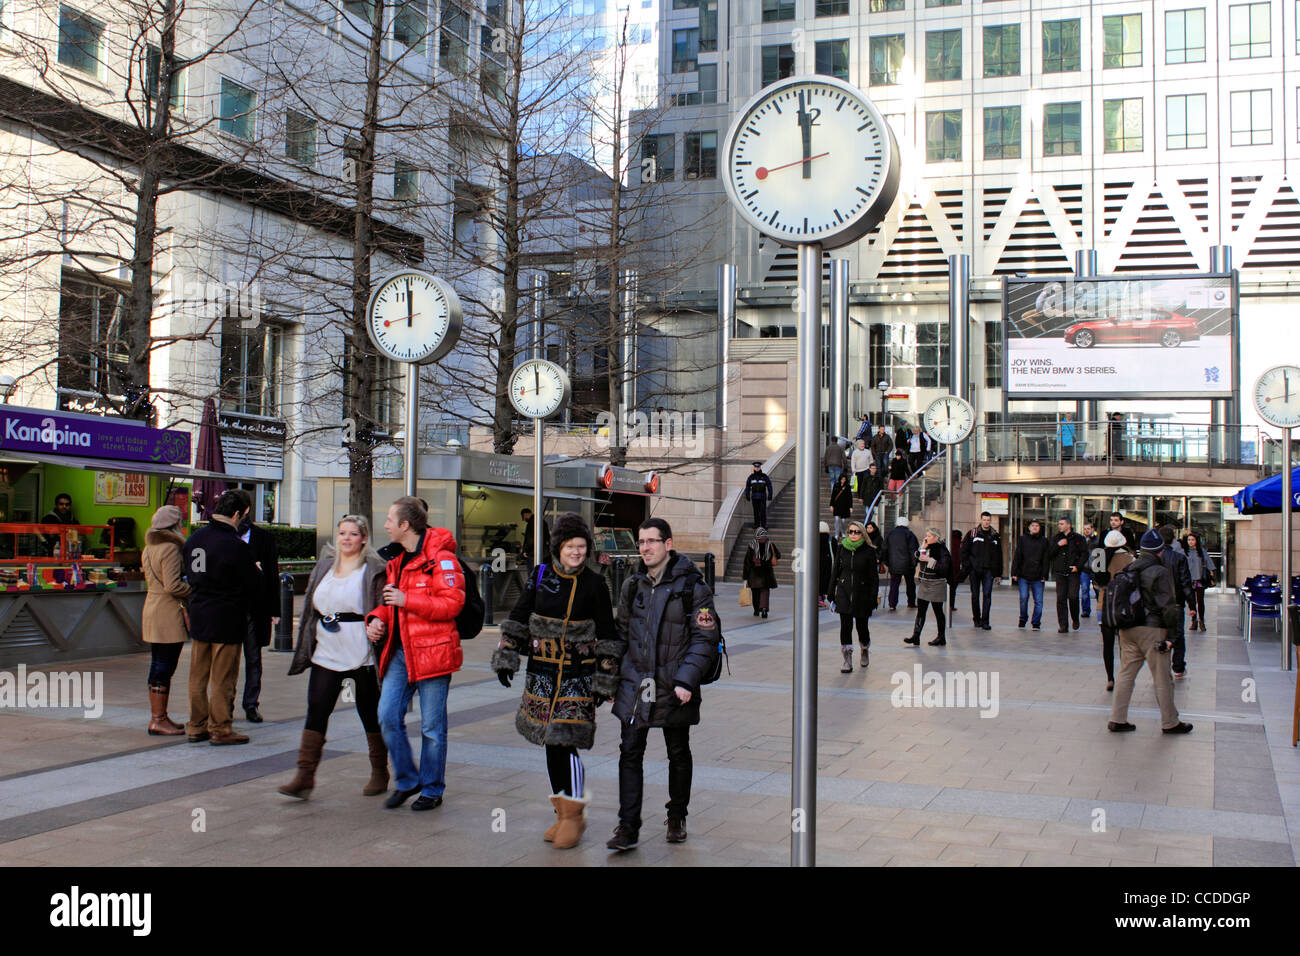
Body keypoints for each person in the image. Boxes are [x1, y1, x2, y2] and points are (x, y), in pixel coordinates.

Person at [492, 513, 619, 849]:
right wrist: (506, 655)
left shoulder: (595, 583)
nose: (576, 552)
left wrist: (605, 678)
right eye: (570, 546)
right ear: (558, 548)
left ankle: (574, 814)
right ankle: (561, 813)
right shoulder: (540, 575)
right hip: (543, 675)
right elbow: (519, 616)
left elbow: (608, 634)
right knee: (550, 742)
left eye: (581, 546)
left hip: (578, 676)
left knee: (566, 741)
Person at [607, 518, 719, 851]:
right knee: (630, 752)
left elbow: (705, 638)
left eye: (651, 541)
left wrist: (686, 680)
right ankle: (628, 826)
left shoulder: (693, 586)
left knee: (678, 752)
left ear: (668, 544)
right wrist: (609, 677)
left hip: (674, 684)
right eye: (641, 542)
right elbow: (620, 635)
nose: (645, 548)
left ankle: (677, 815)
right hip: (635, 683)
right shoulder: (633, 585)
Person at [366, 497, 466, 811]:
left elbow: (452, 604)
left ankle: (432, 789)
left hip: (433, 653)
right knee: (387, 716)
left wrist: (406, 600)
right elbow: (391, 604)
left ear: (405, 525)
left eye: (390, 519)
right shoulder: (397, 560)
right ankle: (408, 779)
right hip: (400, 651)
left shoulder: (441, 558)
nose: (385, 525)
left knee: (432, 728)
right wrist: (377, 619)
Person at [280, 514, 389, 800]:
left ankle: (380, 770)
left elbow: (383, 606)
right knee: (317, 707)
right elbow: (311, 605)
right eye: (342, 533)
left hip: (361, 650)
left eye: (353, 534)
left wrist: (379, 623)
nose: (346, 539)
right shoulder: (325, 566)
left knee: (369, 712)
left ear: (364, 538)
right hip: (326, 649)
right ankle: (305, 775)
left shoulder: (374, 569)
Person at [182, 489, 261, 745]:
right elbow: (252, 584)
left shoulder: (195, 539)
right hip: (226, 615)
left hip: (199, 611)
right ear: (238, 513)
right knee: (222, 677)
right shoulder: (236, 546)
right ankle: (220, 728)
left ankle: (196, 726)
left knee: (197, 675)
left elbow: (189, 572)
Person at [1108, 530, 1193, 735]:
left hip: (1128, 628)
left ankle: (1117, 719)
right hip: (1153, 630)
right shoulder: (1160, 571)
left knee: (1126, 674)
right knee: (1162, 678)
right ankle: (1170, 722)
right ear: (1160, 550)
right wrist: (1172, 636)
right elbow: (1168, 606)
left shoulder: (1129, 568)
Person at [142, 505, 190, 736]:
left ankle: (159, 716)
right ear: (174, 524)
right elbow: (173, 586)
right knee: (165, 666)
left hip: (152, 608)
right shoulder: (171, 548)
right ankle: (158, 719)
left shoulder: (149, 548)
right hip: (168, 612)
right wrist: (193, 590)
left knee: (157, 663)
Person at [237, 509, 279, 723]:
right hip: (231, 608)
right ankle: (224, 704)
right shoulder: (224, 536)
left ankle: (251, 704)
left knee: (253, 658)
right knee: (227, 660)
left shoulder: (264, 538)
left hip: (256, 609)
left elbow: (272, 574)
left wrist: (275, 610)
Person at [831, 519, 879, 671]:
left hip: (862, 594)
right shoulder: (841, 548)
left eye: (857, 532)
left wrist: (873, 597)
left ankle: (864, 648)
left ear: (862, 534)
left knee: (861, 626)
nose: (853, 534)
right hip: (844, 593)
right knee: (845, 626)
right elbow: (835, 571)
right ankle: (847, 658)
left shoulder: (869, 551)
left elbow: (874, 577)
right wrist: (830, 592)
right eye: (850, 531)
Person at [1094, 529, 1133, 692]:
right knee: (1125, 644)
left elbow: (1097, 584)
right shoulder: (1129, 558)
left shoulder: (1100, 556)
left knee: (1107, 644)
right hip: (1123, 605)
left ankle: (1110, 678)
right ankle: (1124, 676)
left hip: (1104, 604)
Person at [1158, 524, 1194, 679]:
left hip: (1158, 604)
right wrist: (1192, 605)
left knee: (1160, 634)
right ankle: (1178, 667)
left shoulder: (1154, 558)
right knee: (1178, 635)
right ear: (1173, 540)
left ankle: (1161, 668)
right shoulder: (1179, 558)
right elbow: (1186, 583)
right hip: (1176, 603)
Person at [906, 529, 951, 647]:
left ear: (936, 538)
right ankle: (916, 636)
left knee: (938, 611)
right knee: (921, 611)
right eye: (926, 535)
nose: (926, 538)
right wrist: (921, 548)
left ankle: (941, 637)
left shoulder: (942, 550)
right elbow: (914, 561)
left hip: (937, 583)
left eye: (929, 536)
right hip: (924, 583)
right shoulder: (925, 549)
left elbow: (944, 568)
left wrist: (929, 560)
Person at [961, 512, 1003, 630]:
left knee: (987, 595)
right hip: (974, 570)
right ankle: (976, 619)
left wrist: (998, 573)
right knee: (975, 596)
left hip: (988, 570)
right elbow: (964, 551)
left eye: (988, 520)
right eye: (984, 520)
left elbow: (999, 555)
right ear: (981, 520)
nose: (986, 522)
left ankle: (985, 621)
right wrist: (968, 565)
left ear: (990, 521)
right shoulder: (973, 533)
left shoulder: (995, 536)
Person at [1047, 515, 1088, 633]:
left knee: (1073, 597)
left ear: (1068, 525)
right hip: (1060, 573)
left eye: (1062, 524)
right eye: (1059, 524)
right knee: (1061, 599)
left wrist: (1078, 567)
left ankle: (1075, 618)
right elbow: (1049, 554)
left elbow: (1084, 554)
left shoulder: (1079, 538)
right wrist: (1058, 545)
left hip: (1073, 572)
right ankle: (1063, 625)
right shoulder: (1056, 538)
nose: (1059, 526)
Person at [1010, 518, 1049, 629]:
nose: (1035, 527)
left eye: (1037, 526)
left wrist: (1045, 574)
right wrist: (1014, 572)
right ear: (1029, 527)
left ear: (1040, 528)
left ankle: (1036, 622)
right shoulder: (1023, 539)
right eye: (1033, 525)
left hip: (1038, 576)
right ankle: (1023, 619)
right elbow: (1017, 556)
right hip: (1024, 575)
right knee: (1023, 598)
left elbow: (1046, 559)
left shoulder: (1044, 541)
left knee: (1039, 601)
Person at [743, 527, 779, 619]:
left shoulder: (752, 545)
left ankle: (756, 610)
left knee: (755, 592)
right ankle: (764, 609)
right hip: (766, 573)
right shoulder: (770, 544)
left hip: (754, 574)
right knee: (764, 592)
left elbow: (747, 561)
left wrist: (745, 576)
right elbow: (778, 555)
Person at [1183, 531, 1215, 632]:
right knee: (1191, 602)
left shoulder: (1201, 551)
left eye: (1192, 540)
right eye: (1189, 540)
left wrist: (1212, 574)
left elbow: (1208, 562)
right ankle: (1194, 621)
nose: (1190, 542)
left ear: (1196, 541)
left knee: (1200, 601)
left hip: (1199, 580)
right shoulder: (1184, 551)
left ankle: (1201, 621)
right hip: (1189, 580)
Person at [884, 516, 918, 610]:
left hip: (894, 563)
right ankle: (911, 602)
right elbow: (913, 550)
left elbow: (884, 548)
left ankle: (892, 604)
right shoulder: (910, 534)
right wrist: (914, 563)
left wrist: (887, 562)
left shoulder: (890, 534)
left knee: (894, 584)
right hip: (908, 564)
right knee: (910, 584)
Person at [744, 461, 773, 530]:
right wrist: (747, 494)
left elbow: (769, 485)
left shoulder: (764, 476)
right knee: (756, 511)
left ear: (760, 467)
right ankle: (756, 524)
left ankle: (763, 525)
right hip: (754, 497)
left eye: (758, 467)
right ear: (754, 468)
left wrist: (770, 494)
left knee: (763, 511)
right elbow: (747, 486)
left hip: (762, 497)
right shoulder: (751, 477)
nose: (757, 468)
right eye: (756, 467)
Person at [1079, 522, 1099, 619]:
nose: (1086, 531)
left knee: (1098, 590)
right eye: (1085, 529)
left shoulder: (1097, 540)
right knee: (1085, 590)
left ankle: (1100, 609)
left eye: (1088, 529)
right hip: (1084, 569)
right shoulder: (1082, 540)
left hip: (1095, 569)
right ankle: (1085, 611)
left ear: (1092, 529)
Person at [829, 473, 853, 539]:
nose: (843, 480)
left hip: (845, 506)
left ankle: (843, 532)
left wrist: (851, 507)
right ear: (840, 479)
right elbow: (833, 496)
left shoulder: (848, 486)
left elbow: (850, 497)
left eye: (844, 479)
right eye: (842, 479)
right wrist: (831, 505)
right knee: (836, 519)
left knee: (843, 521)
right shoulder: (836, 485)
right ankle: (836, 533)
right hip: (837, 505)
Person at [851, 438, 873, 504]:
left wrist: (870, 468)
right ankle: (860, 496)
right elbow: (853, 462)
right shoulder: (855, 452)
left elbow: (871, 460)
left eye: (863, 444)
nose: (862, 445)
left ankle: (865, 496)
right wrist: (853, 469)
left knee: (866, 483)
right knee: (859, 484)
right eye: (861, 444)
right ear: (858, 445)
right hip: (858, 471)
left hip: (866, 469)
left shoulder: (868, 451)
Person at [817, 521, 833, 610]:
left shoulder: (813, 538)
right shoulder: (831, 539)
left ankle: (819, 597)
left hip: (816, 563)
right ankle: (822, 597)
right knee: (825, 580)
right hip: (828, 564)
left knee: (818, 580)